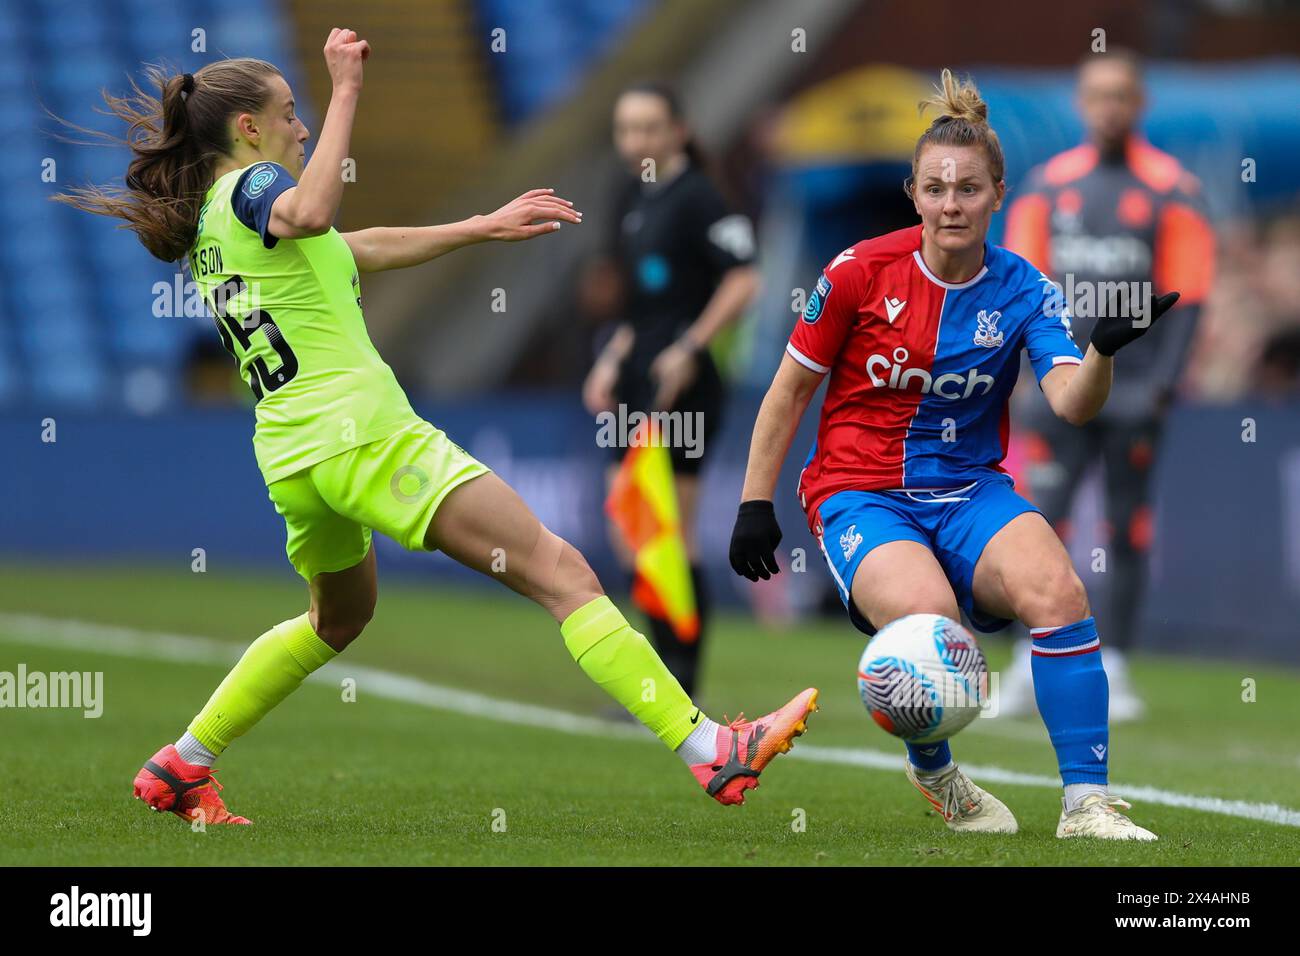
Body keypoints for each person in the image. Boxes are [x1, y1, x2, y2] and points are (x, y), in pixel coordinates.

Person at [56, 30, 816, 825]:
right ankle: (712, 753)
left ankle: (182, 763)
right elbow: (315, 209)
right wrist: (348, 86)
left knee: (337, 618)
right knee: (565, 576)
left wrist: (479, 227)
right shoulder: (260, 188)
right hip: (363, 435)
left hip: (292, 455)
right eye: (290, 113)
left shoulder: (217, 224)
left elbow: (352, 248)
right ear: (248, 129)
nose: (303, 127)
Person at [728, 68, 1179, 841]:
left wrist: (1102, 352)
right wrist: (754, 503)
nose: (950, 204)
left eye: (968, 188)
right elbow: (788, 392)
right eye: (935, 188)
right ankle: (936, 769)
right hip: (860, 491)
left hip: (970, 490)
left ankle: (1088, 806)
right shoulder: (856, 273)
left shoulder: (1026, 289)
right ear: (913, 193)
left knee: (1060, 590)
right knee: (930, 626)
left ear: (998, 194)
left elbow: (1071, 400)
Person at [1001, 48, 1214, 721]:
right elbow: (1019, 289)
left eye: (1121, 95)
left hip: (1135, 391)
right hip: (1060, 385)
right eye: (1098, 96)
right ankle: (1025, 663)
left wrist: (1164, 385)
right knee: (1037, 523)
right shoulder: (1043, 187)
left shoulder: (1173, 189)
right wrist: (1023, 377)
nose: (1109, 108)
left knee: (1127, 526)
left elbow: (1192, 296)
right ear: (1080, 103)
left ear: (1139, 104)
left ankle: (1113, 665)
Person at [581, 81, 760, 698]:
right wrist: (611, 360)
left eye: (650, 127)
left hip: (684, 386)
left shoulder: (700, 199)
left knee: (671, 532)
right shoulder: (630, 195)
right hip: (634, 379)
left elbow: (743, 280)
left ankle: (684, 681)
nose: (638, 140)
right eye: (627, 129)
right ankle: (658, 674)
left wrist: (692, 346)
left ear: (679, 130)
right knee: (632, 534)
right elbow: (639, 308)